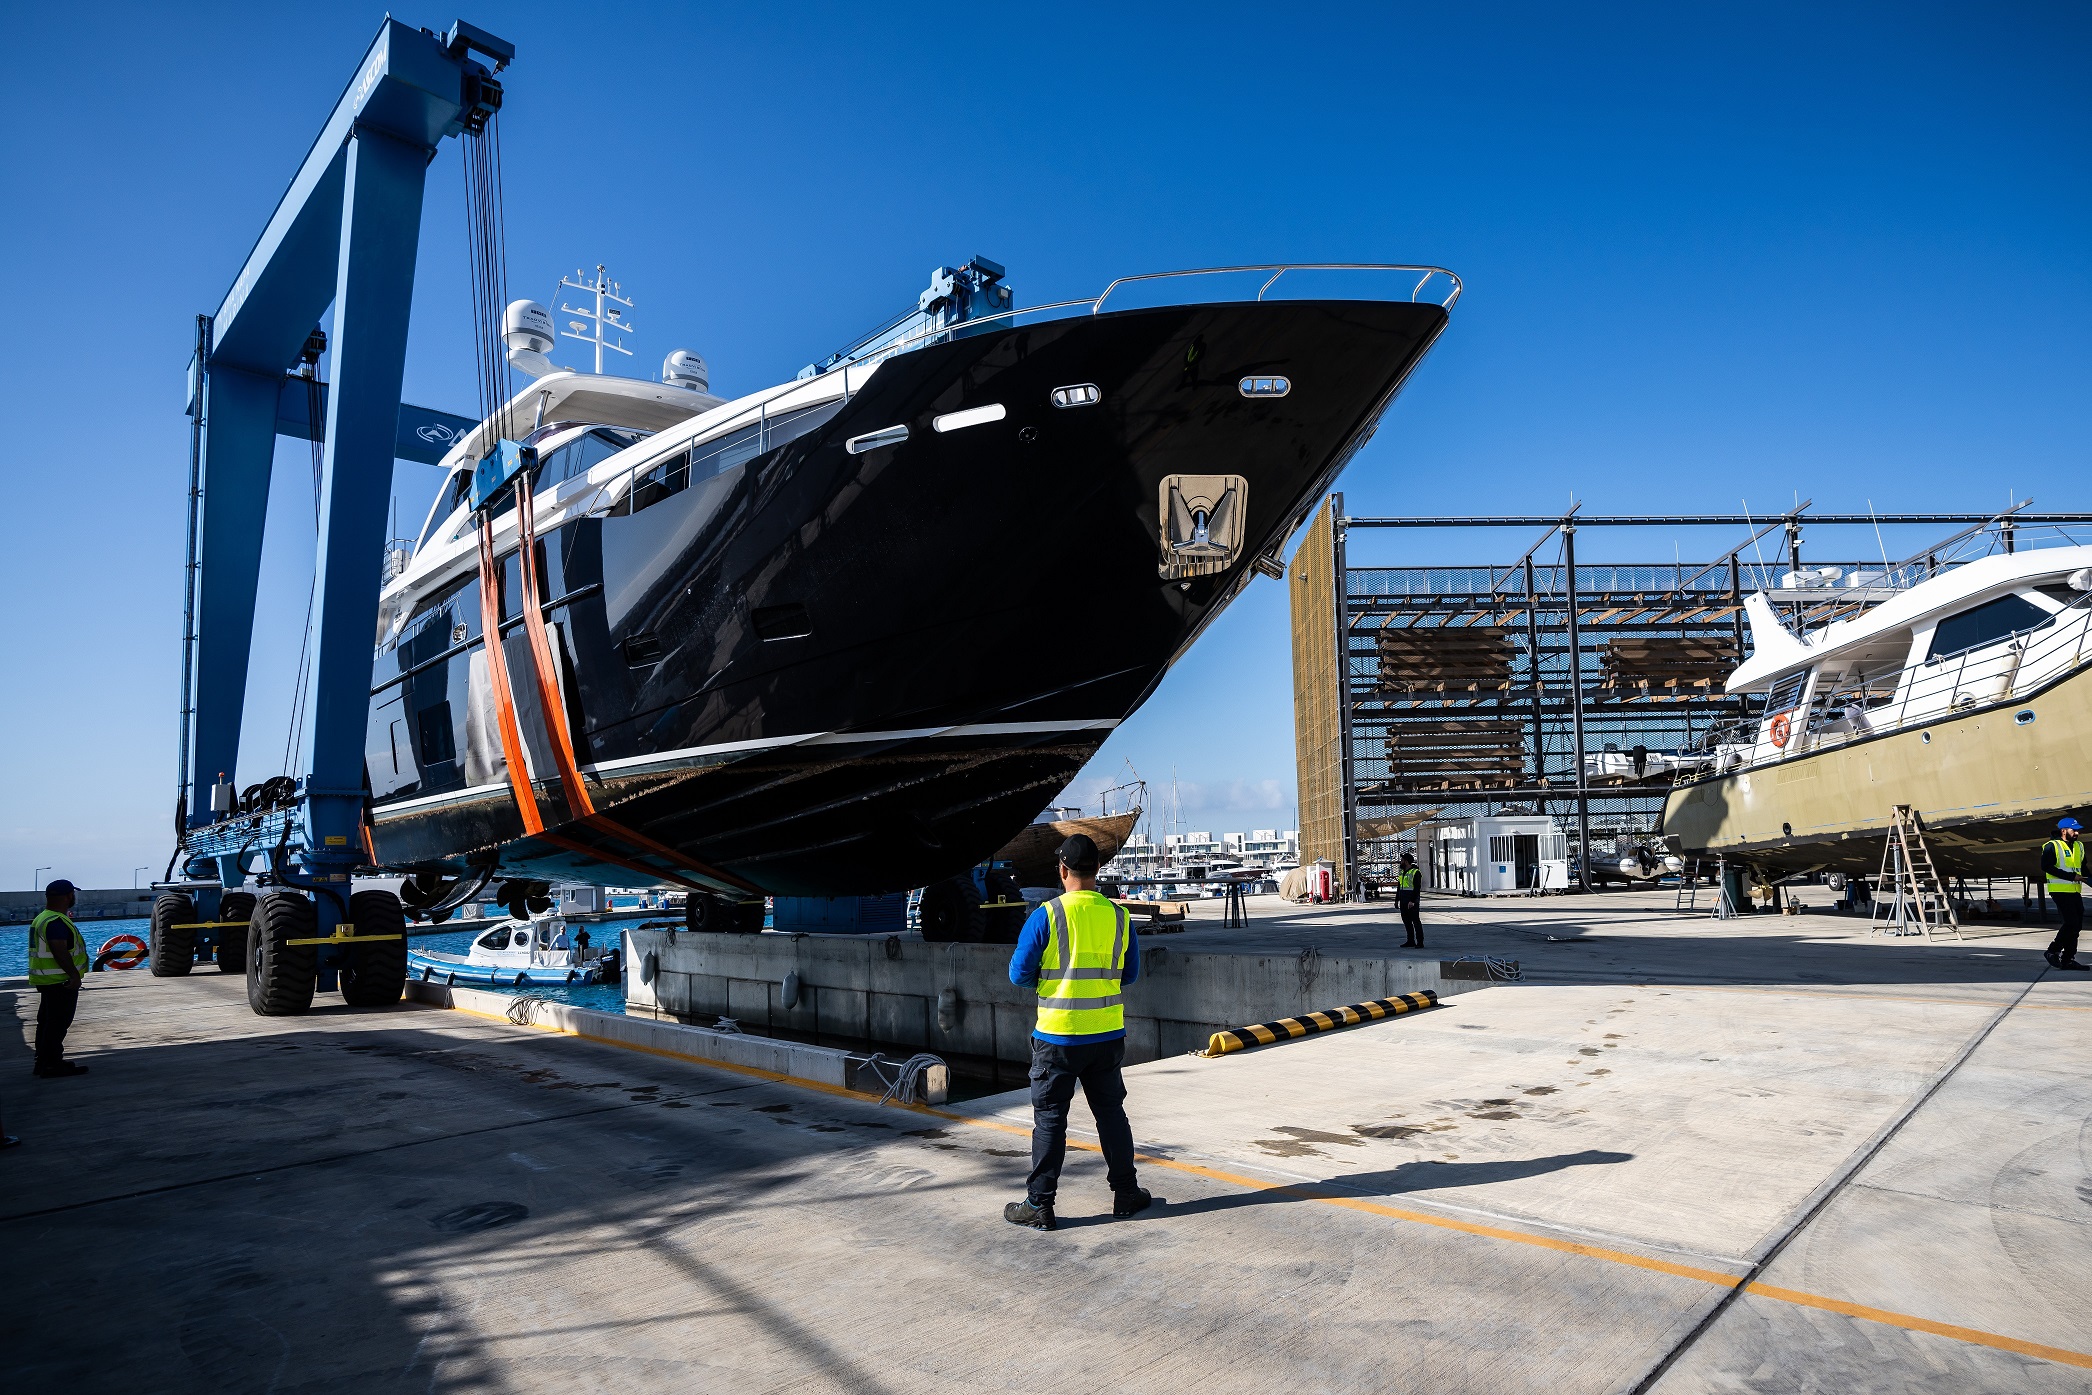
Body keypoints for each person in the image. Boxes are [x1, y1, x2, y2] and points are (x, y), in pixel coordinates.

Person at [1003, 834, 1150, 1231]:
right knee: (1111, 1115)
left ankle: (1040, 1204)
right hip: (1105, 1036)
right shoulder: (1119, 917)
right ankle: (1125, 1194)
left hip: (1057, 1037)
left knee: (1050, 1120)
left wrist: (1051, 982)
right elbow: (1130, 974)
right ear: (1098, 871)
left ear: (1062, 870)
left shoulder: (1047, 915)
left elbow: (1018, 975)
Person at [28, 879, 90, 1077]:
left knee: (46, 1022)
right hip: (60, 981)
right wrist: (74, 975)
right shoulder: (55, 921)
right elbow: (59, 950)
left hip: (47, 980)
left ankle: (44, 1062)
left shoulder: (42, 918)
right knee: (57, 1023)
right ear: (68, 896)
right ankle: (52, 1064)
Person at [2041, 818, 2089, 971]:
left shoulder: (2079, 846)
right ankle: (2052, 950)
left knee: (2077, 925)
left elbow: (2084, 869)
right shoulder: (2052, 846)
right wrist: (2071, 877)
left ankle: (2068, 959)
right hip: (2059, 890)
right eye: (2073, 830)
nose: (2077, 833)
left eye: (2077, 830)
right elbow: (2046, 866)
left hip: (2074, 891)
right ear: (2063, 831)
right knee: (2071, 922)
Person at [1396, 853, 1424, 948]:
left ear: (1406, 861)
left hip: (1412, 901)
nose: (1401, 862)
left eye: (1402, 860)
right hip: (1403, 900)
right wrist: (1397, 900)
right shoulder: (1402, 872)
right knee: (1406, 922)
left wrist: (1412, 901)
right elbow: (1399, 887)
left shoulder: (1416, 872)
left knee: (1416, 921)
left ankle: (1420, 942)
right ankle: (1410, 940)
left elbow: (1417, 888)